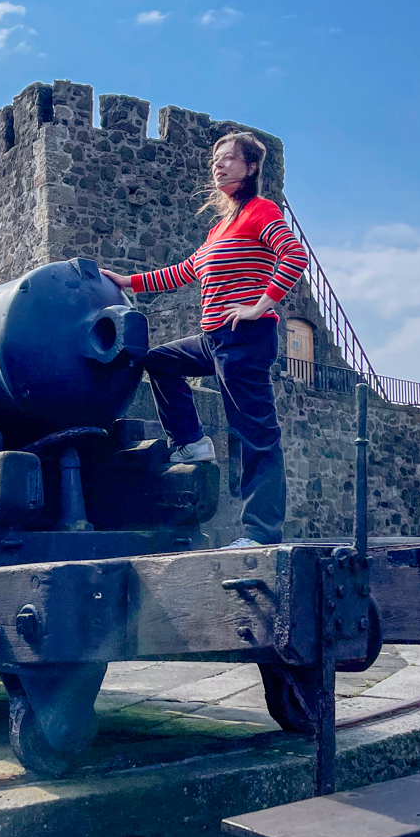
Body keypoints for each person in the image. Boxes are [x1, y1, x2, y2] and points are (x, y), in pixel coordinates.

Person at [101, 131, 307, 547]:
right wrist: (128, 281)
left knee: (255, 435)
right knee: (159, 361)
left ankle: (260, 534)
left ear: (250, 168)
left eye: (230, 158)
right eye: (216, 158)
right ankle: (192, 444)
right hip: (214, 340)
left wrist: (260, 304)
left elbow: (294, 256)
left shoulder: (261, 211)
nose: (219, 164)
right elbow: (184, 270)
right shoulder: (220, 229)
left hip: (245, 337)